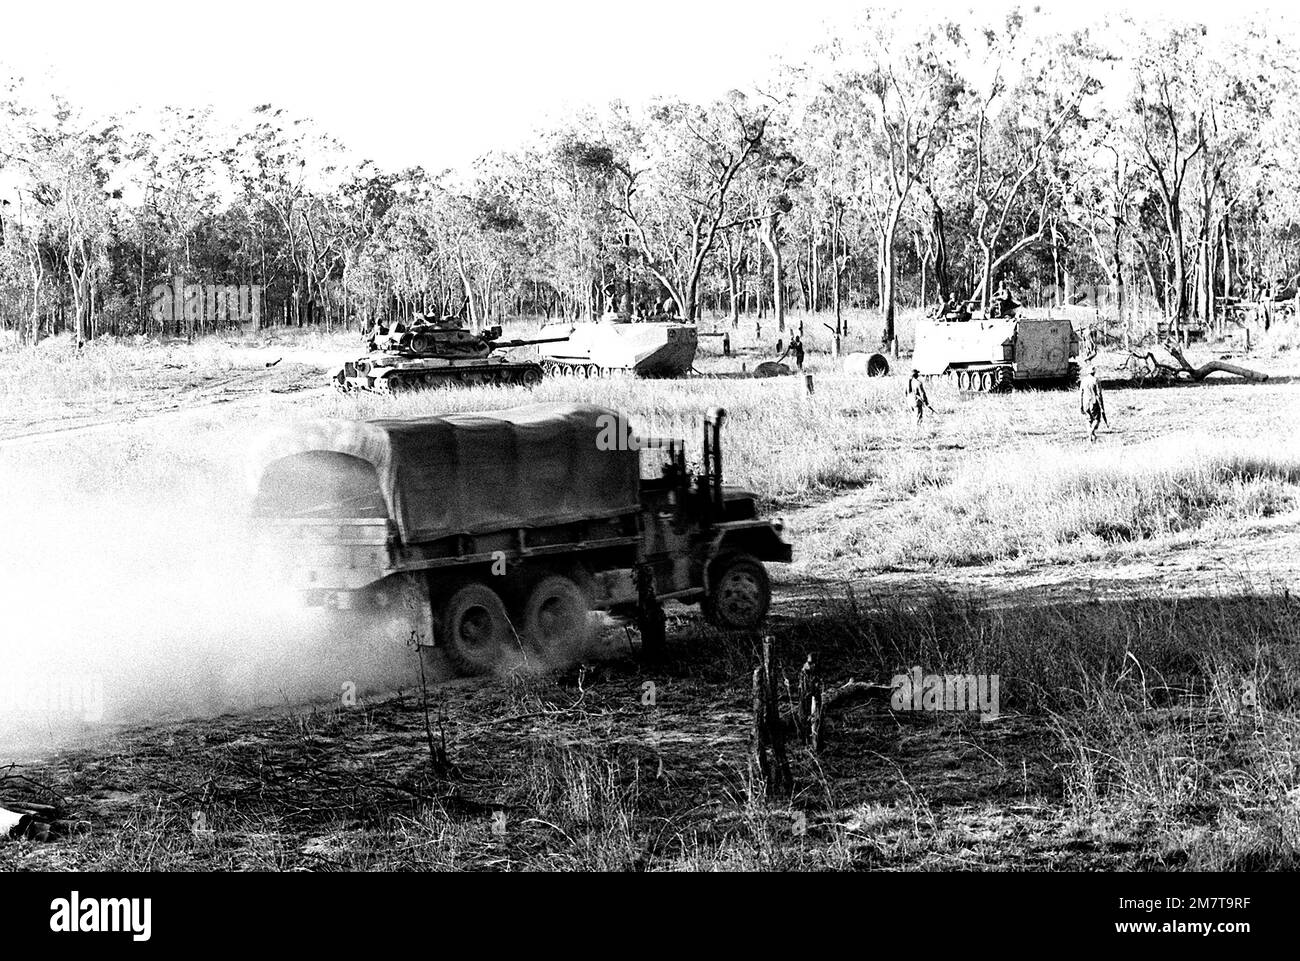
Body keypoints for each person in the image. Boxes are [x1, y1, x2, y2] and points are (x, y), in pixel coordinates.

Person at [1079, 365, 1107, 442]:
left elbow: (1080, 394)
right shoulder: (1096, 380)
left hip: (1085, 402)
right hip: (1094, 402)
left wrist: (1080, 405)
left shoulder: (1083, 381)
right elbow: (1099, 394)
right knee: (1097, 419)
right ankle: (1091, 432)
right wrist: (1102, 407)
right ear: (1094, 372)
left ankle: (1090, 436)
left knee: (1088, 420)